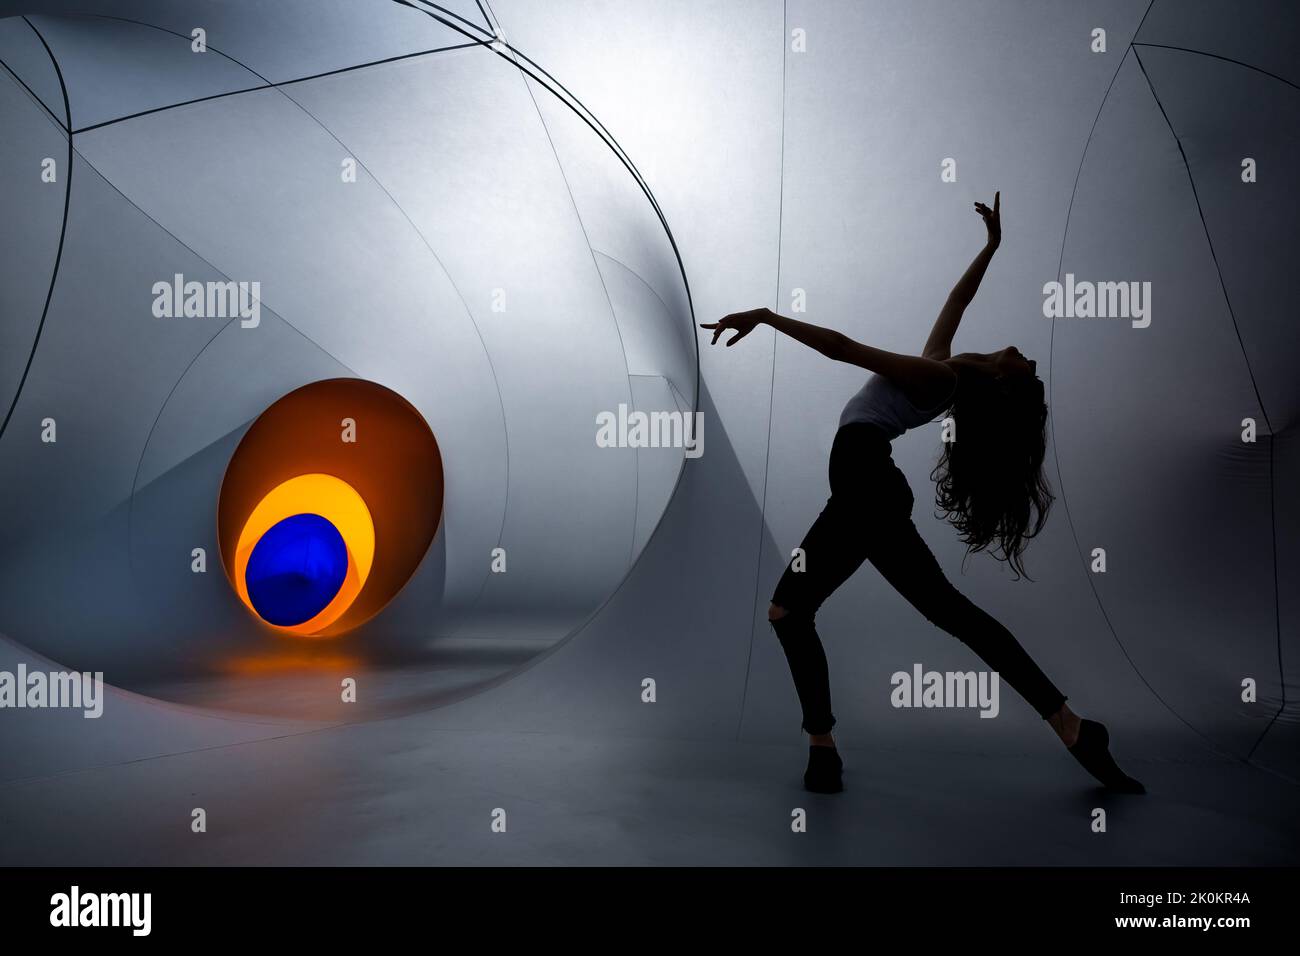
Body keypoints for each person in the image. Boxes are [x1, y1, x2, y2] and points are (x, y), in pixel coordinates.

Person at [701, 193, 1145, 795]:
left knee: (793, 611)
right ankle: (1070, 726)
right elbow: (956, 302)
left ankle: (824, 746)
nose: (1029, 356)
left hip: (866, 487)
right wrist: (990, 247)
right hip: (870, 490)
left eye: (1028, 369)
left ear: (1004, 385)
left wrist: (767, 315)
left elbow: (842, 346)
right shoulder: (941, 368)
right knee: (945, 613)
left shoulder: (935, 377)